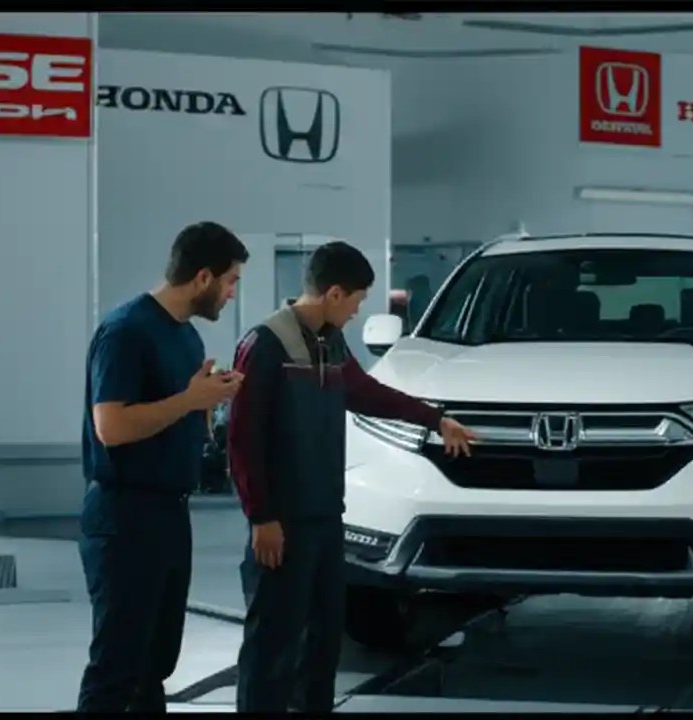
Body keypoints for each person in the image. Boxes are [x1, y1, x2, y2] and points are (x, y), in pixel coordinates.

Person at [227, 241, 476, 713]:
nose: (358, 311)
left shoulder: (330, 342)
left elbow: (366, 393)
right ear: (334, 293)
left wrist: (435, 420)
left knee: (322, 642)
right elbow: (243, 438)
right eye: (358, 301)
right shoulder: (265, 346)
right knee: (274, 644)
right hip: (283, 523)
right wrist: (261, 516)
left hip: (325, 519)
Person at [76, 221, 249, 713]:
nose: (232, 293)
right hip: (124, 516)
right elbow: (111, 426)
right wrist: (190, 398)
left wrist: (207, 402)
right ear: (202, 277)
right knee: (118, 667)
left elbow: (176, 410)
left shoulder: (187, 340)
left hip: (170, 514)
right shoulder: (126, 331)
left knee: (156, 665)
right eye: (230, 280)